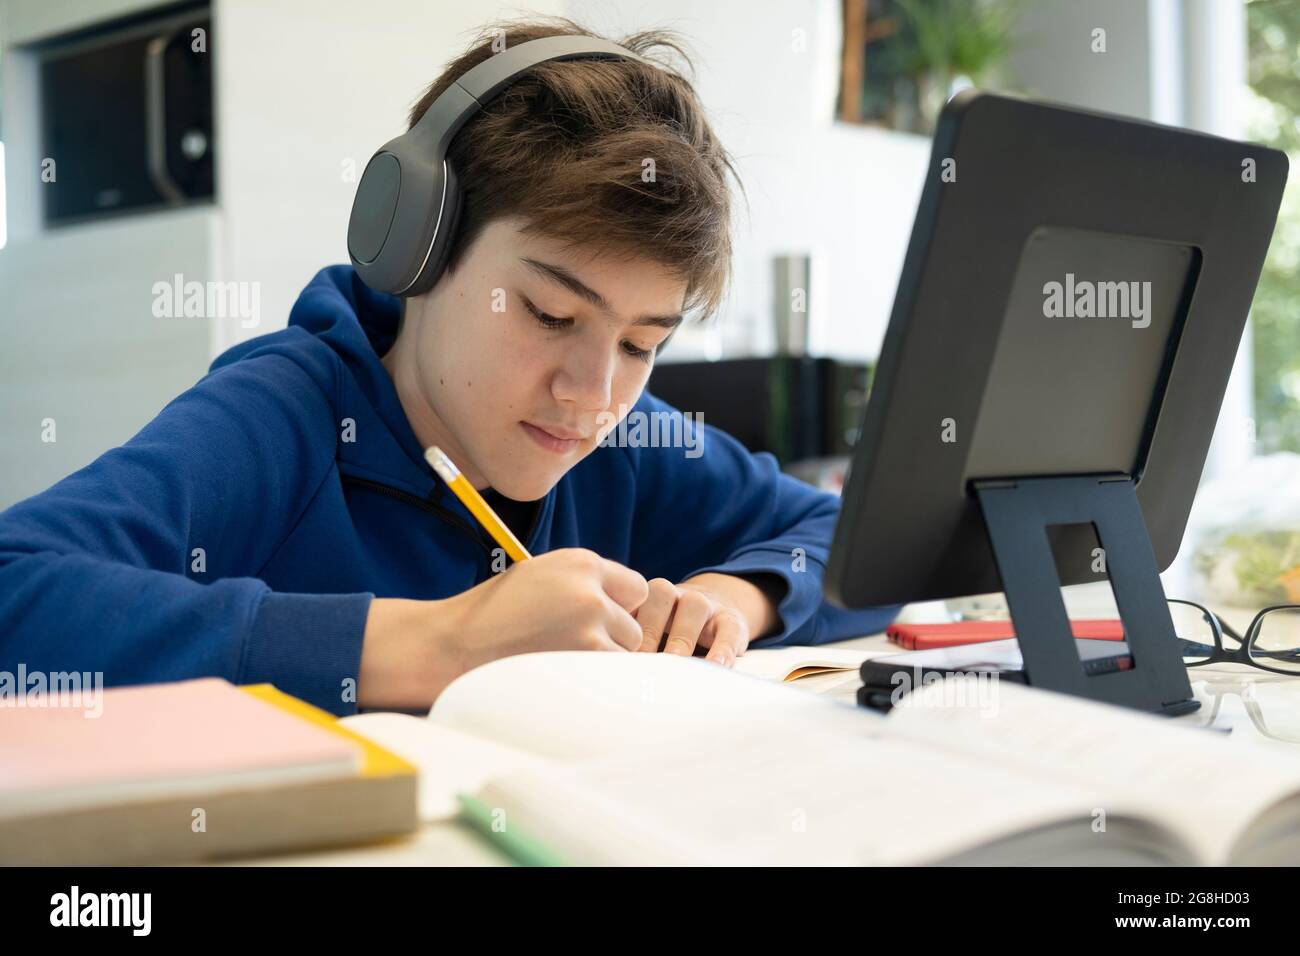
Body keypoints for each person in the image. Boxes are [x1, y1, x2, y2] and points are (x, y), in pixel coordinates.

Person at [0, 18, 898, 717]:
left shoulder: (629, 438)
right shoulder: (289, 414)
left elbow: (847, 533)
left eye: (640, 342)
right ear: (415, 252)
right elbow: (17, 594)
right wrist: (434, 643)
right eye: (551, 314)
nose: (593, 396)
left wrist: (734, 599)